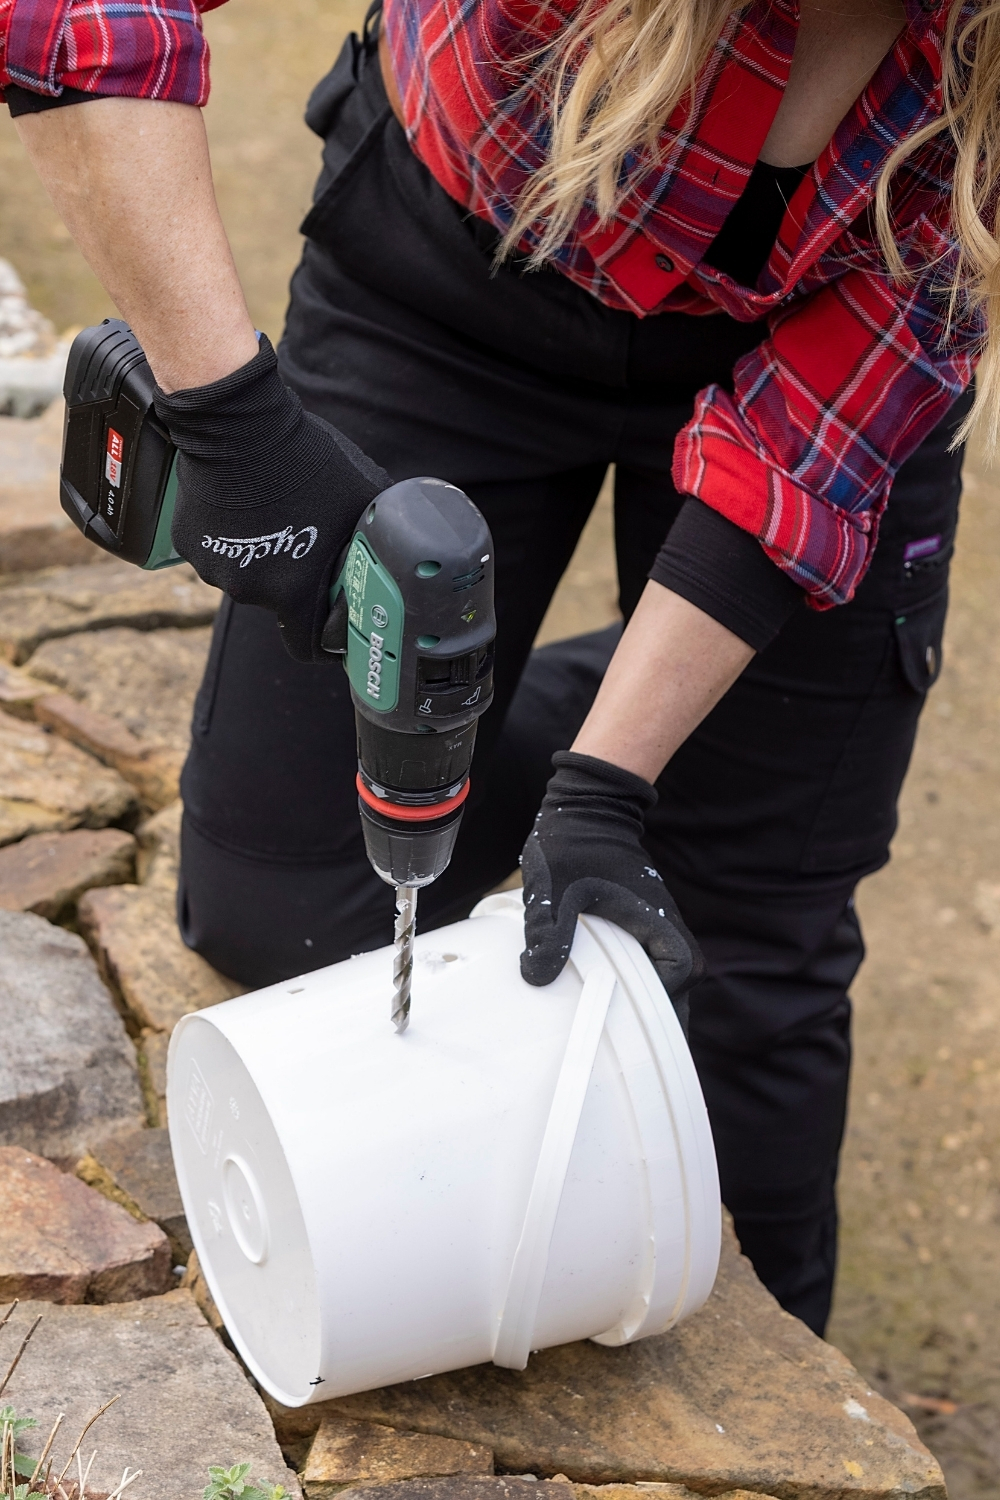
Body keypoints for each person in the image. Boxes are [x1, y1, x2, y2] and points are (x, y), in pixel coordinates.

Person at [5, 0, 994, 1338]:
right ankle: (551, 693)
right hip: (460, 269)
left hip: (802, 346)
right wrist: (229, 415)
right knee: (278, 913)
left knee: (739, 981)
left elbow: (817, 436)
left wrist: (611, 782)